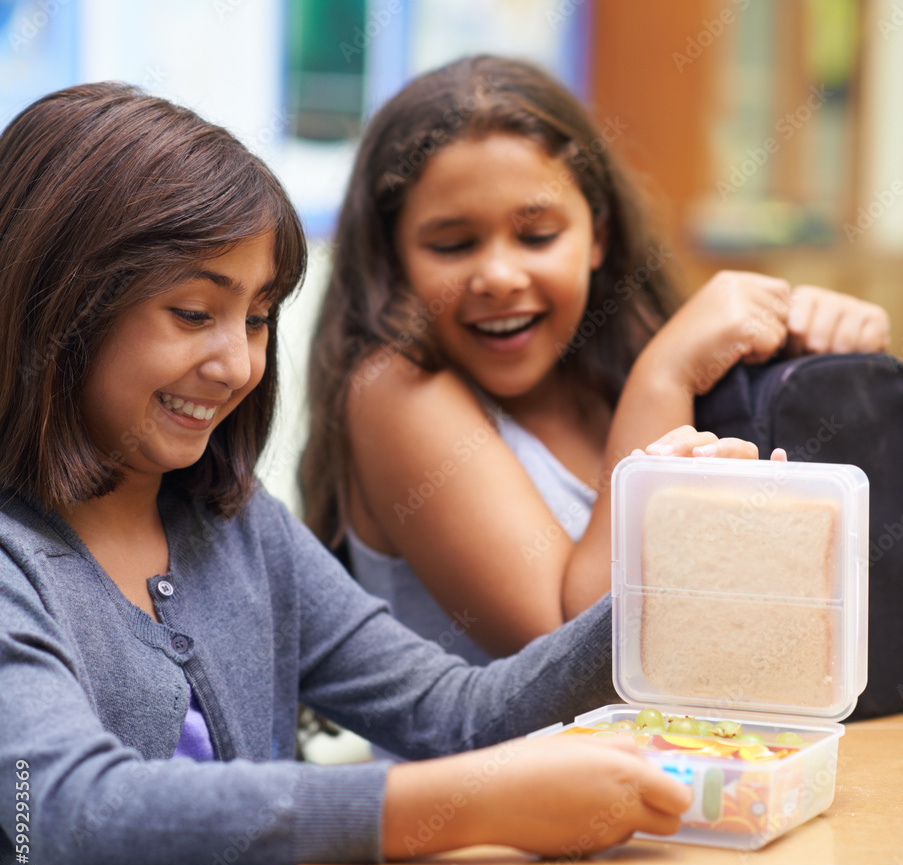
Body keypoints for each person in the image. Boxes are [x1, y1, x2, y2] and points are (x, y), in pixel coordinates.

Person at [0, 83, 775, 865]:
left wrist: (672, 583)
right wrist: (469, 806)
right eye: (192, 314)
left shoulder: (235, 530)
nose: (238, 365)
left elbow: (458, 714)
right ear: (61, 306)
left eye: (256, 317)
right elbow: (78, 821)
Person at [299, 54, 890, 668]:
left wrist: (832, 354)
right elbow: (571, 644)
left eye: (537, 236)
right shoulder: (392, 390)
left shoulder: (613, 367)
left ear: (597, 237)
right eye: (452, 244)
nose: (499, 275)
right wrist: (664, 376)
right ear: (393, 260)